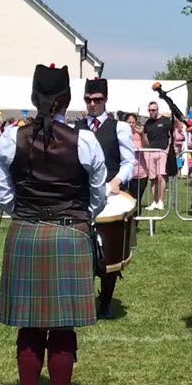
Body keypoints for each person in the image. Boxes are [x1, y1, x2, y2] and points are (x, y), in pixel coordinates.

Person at [0, 64, 107, 385]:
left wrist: (26, 213)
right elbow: (98, 197)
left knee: (28, 325)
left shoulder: (10, 139)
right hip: (69, 233)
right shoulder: (85, 140)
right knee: (62, 327)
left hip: (25, 231)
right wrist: (75, 215)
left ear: (33, 98)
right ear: (67, 100)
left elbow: (2, 196)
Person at [80, 76, 136, 318]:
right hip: (82, 194)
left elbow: (129, 161)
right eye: (88, 100)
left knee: (108, 246)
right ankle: (82, 297)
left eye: (97, 100)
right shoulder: (76, 128)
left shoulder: (119, 127)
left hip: (110, 194)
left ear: (105, 100)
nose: (93, 104)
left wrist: (118, 180)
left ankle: (106, 300)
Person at [142, 101, 171, 210]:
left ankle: (161, 201)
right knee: (153, 178)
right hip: (150, 152)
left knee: (161, 176)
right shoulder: (148, 123)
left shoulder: (165, 121)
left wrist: (169, 149)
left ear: (157, 110)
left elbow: (172, 134)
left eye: (153, 110)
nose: (151, 112)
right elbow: (145, 139)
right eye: (149, 110)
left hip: (162, 151)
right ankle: (154, 201)